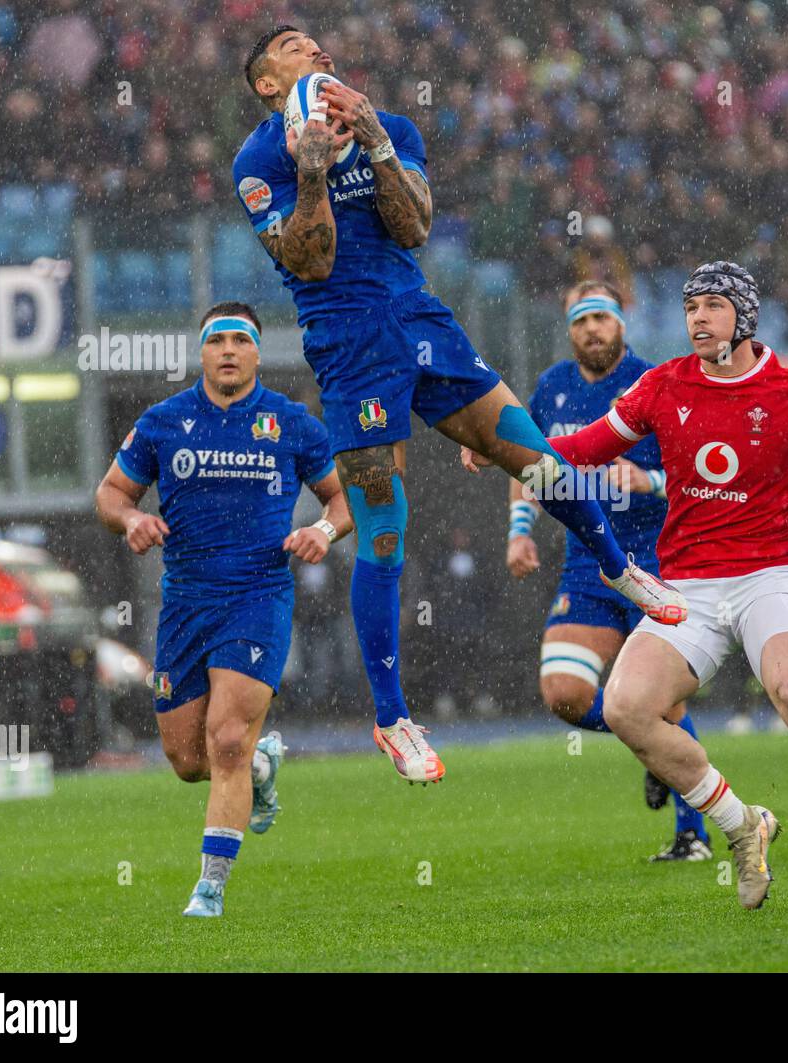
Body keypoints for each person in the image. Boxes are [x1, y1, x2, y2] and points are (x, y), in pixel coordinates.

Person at [232, 25, 684, 785]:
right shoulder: (258, 162)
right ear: (267, 84)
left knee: (538, 457)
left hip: (421, 321)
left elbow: (414, 225)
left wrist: (372, 140)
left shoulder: (391, 123)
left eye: (317, 41)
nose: (316, 49)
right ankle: (391, 718)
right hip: (350, 348)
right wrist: (311, 173)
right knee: (384, 530)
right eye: (292, 44)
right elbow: (310, 258)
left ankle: (617, 566)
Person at [465, 261, 788, 909]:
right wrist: (502, 442)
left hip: (767, 576)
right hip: (688, 587)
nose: (697, 317)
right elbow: (581, 450)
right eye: (691, 306)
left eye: (712, 306)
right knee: (623, 708)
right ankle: (740, 823)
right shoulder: (664, 384)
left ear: (745, 315)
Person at [94, 302, 352, 917]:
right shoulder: (163, 421)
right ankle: (261, 768)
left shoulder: (291, 422)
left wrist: (323, 530)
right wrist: (131, 517)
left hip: (257, 597)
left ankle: (209, 887)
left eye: (241, 340)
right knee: (188, 760)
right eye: (218, 341)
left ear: (258, 353)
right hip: (184, 602)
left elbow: (342, 500)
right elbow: (109, 492)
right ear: (202, 353)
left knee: (228, 739)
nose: (229, 350)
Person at [506, 280, 711, 862]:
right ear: (569, 330)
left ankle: (691, 835)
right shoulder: (552, 388)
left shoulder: (658, 382)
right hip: (584, 564)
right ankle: (649, 743)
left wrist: (649, 481)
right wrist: (519, 532)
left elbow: (707, 472)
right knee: (564, 694)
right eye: (580, 321)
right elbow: (527, 466)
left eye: (601, 318)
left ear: (621, 324)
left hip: (655, 563)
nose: (592, 329)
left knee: (663, 703)